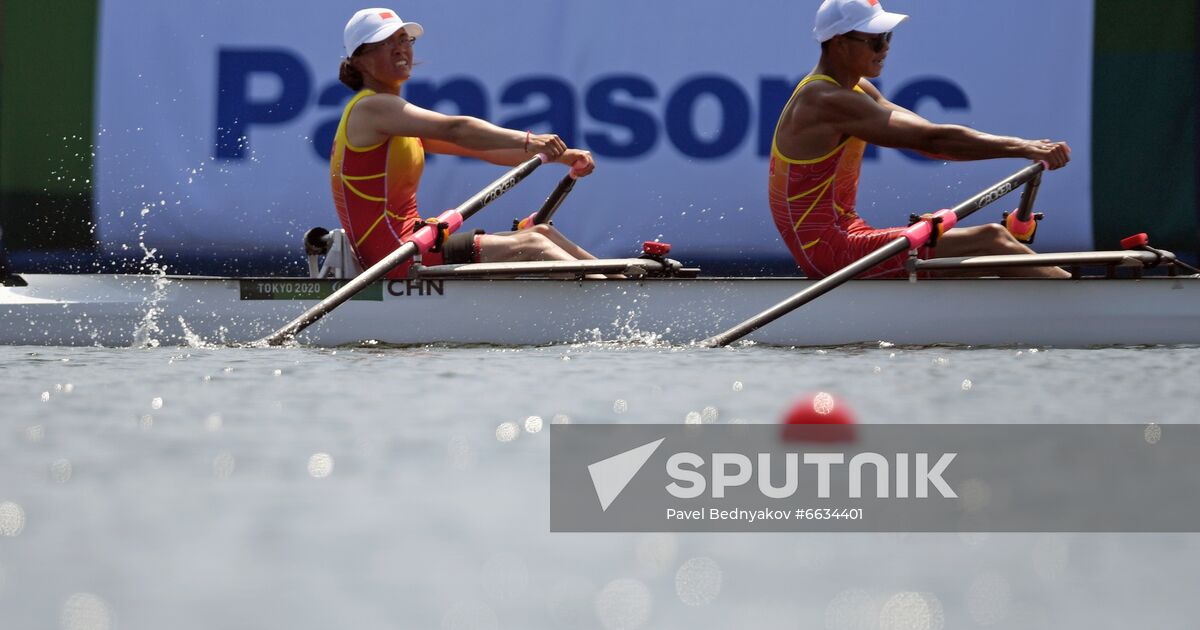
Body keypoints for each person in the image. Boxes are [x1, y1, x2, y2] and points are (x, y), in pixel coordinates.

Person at [769, 0, 1072, 279]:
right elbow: (933, 142)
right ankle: (1078, 304)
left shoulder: (857, 89)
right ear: (839, 43)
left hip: (848, 235)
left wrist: (1022, 147)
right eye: (875, 40)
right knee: (991, 240)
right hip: (830, 252)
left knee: (980, 252)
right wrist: (1024, 147)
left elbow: (928, 135)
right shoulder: (825, 100)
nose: (884, 48)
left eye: (887, 37)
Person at [331, 8, 598, 278]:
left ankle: (619, 285)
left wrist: (561, 155)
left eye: (403, 39)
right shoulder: (371, 108)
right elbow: (456, 129)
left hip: (413, 243)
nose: (400, 48)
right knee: (532, 244)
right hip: (396, 258)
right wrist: (530, 140)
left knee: (541, 232)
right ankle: (609, 299)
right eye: (385, 43)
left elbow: (486, 150)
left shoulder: (396, 121)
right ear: (358, 61)